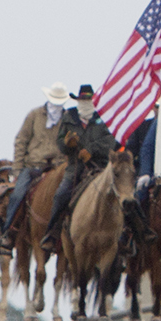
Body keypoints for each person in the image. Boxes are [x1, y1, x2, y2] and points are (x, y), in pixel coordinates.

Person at [44, 85, 116, 252]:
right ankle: (52, 233)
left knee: (122, 193)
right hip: (75, 167)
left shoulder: (103, 117)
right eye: (82, 99)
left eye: (88, 99)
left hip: (101, 167)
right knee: (61, 194)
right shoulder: (69, 117)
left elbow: (110, 141)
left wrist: (91, 150)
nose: (85, 102)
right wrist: (67, 144)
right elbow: (60, 143)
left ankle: (129, 234)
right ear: (77, 100)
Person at [3, 82, 69, 238]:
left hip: (58, 168)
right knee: (18, 194)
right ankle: (9, 231)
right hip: (34, 165)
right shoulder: (34, 115)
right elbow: (21, 140)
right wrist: (18, 169)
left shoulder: (68, 120)